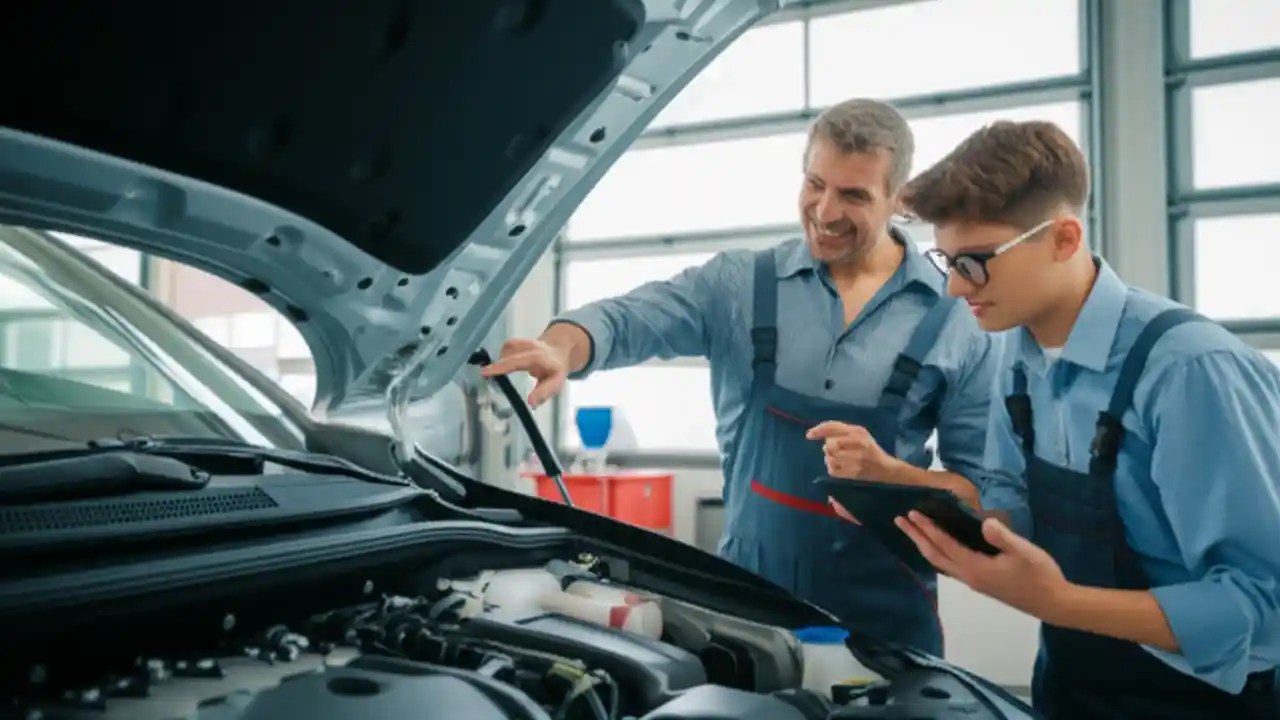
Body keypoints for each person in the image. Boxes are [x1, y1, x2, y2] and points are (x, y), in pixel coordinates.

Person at [481, 98, 1000, 655]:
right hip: (750, 617)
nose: (825, 212)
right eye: (814, 183)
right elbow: (628, 319)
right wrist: (561, 347)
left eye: (854, 195)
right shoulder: (739, 286)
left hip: (888, 628)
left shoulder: (956, 316)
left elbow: (985, 495)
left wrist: (894, 475)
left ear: (899, 200)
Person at [873, 119, 1280, 718]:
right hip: (1069, 687)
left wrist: (1059, 601)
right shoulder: (1016, 353)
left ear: (1063, 238)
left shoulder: (1191, 373)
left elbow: (1263, 604)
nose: (956, 289)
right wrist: (903, 500)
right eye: (948, 261)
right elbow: (1010, 506)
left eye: (976, 262)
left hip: (1202, 702)